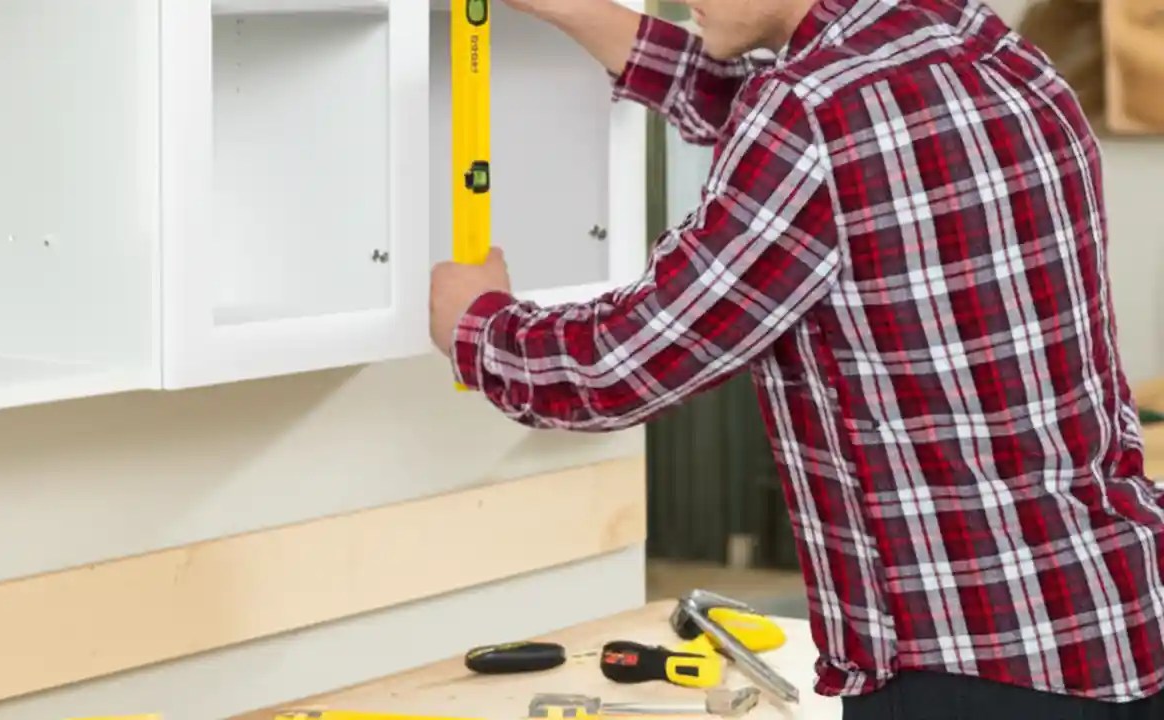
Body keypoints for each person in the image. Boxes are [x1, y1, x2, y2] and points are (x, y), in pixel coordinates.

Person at [428, 0, 1164, 716]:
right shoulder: (985, 46)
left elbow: (619, 366)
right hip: (1113, 615)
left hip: (969, 667)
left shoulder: (810, 112)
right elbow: (810, 144)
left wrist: (477, 324)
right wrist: (583, 12)